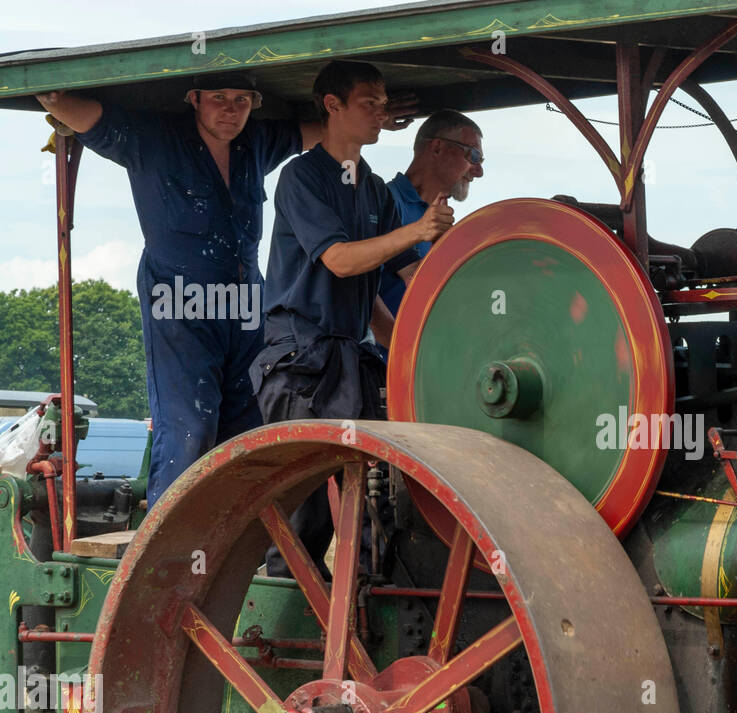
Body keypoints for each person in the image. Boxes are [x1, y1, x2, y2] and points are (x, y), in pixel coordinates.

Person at [34, 75, 415, 507]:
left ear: (254, 104)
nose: (230, 110)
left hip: (247, 305)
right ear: (194, 100)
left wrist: (372, 115)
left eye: (241, 100)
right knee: (190, 428)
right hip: (178, 304)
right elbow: (69, 106)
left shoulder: (258, 142)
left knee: (248, 430)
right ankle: (171, 553)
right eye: (218, 99)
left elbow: (325, 131)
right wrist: (52, 93)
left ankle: (234, 548)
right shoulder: (150, 138)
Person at [253, 61, 453, 577]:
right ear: (332, 105)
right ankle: (289, 627)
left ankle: (364, 618)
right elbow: (341, 260)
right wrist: (418, 230)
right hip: (302, 365)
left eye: (385, 104)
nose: (381, 113)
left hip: (350, 360)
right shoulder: (301, 176)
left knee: (372, 512)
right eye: (371, 102)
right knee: (305, 518)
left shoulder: (375, 191)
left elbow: (401, 282)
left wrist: (423, 355)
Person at [377, 109, 483, 320]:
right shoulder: (384, 203)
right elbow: (359, 293)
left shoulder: (441, 221)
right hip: (385, 351)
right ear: (437, 147)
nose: (479, 171)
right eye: (474, 156)